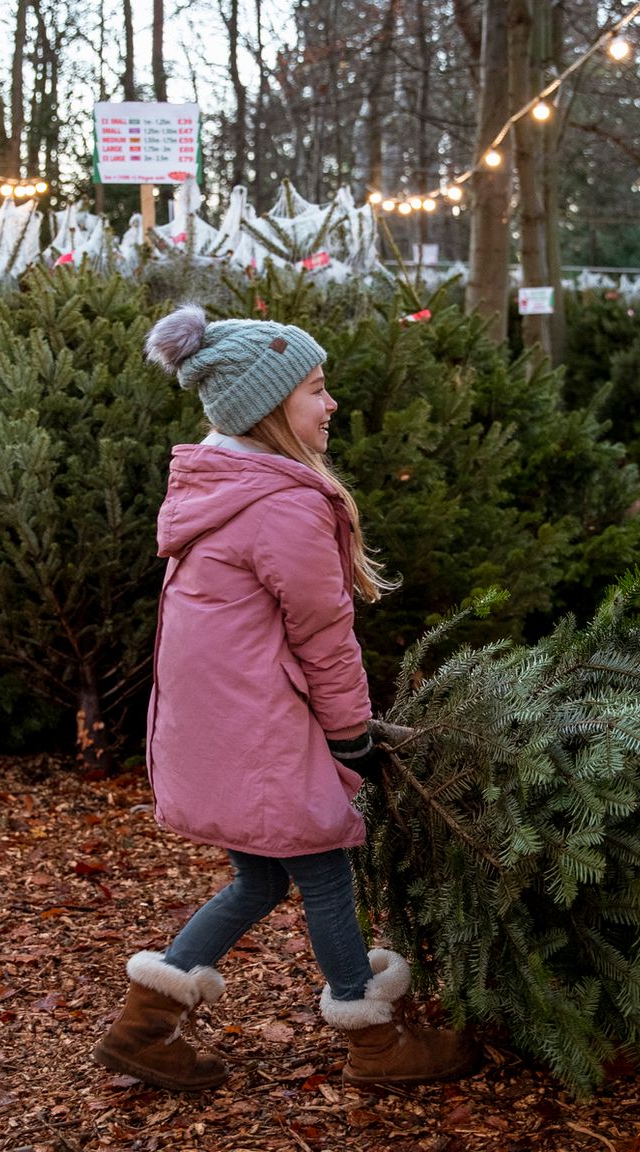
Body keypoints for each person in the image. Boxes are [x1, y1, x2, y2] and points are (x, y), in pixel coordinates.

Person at [91, 305, 478, 1091]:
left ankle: (145, 1026)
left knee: (263, 879)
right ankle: (375, 1042)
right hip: (266, 731)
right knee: (327, 867)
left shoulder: (218, 484)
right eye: (314, 389)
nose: (331, 404)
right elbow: (325, 637)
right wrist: (350, 735)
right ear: (267, 408)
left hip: (222, 727)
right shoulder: (282, 504)